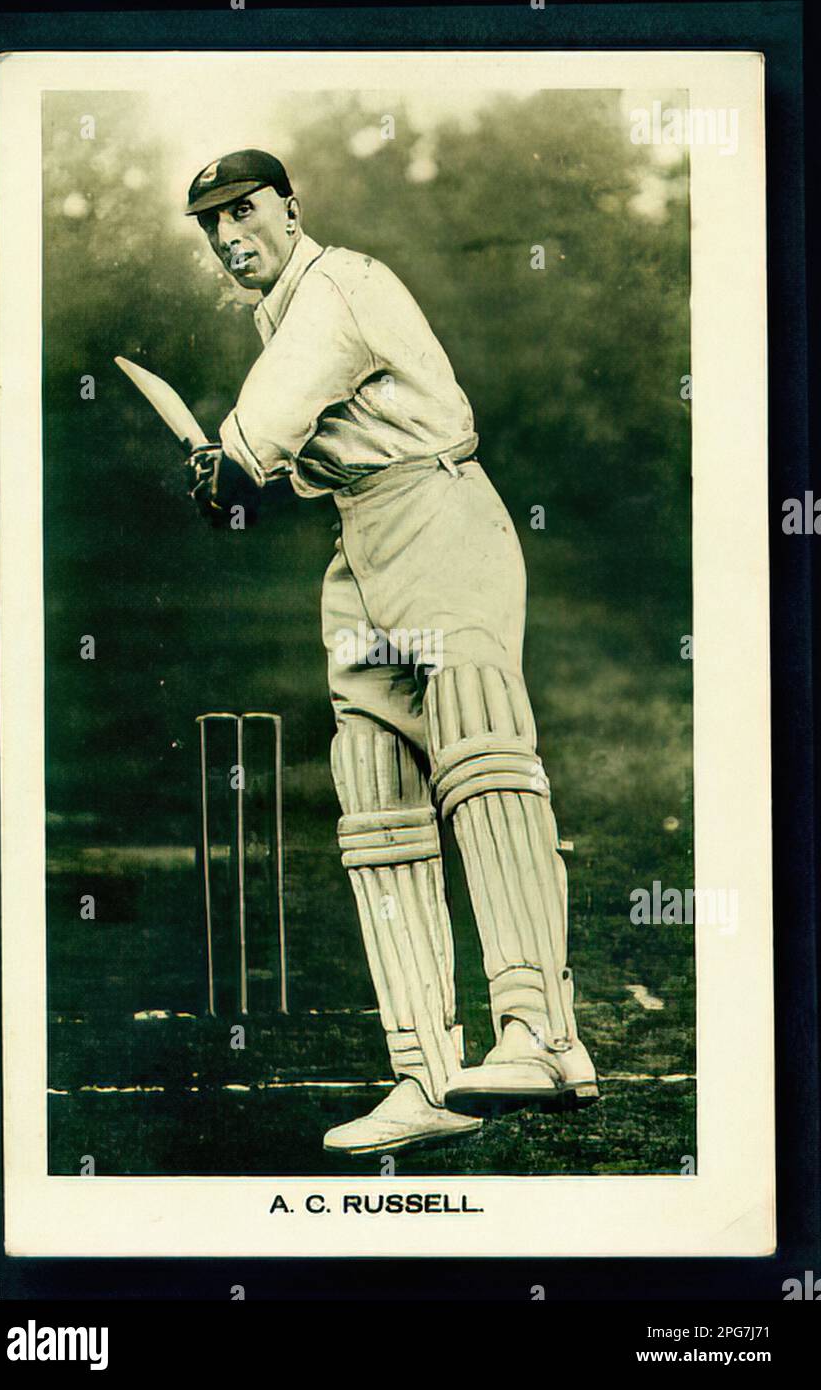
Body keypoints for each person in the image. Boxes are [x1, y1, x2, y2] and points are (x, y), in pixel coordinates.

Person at [185, 149, 598, 1155]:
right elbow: (274, 449)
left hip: (439, 513)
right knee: (376, 790)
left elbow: (262, 436)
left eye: (245, 210)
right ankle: (428, 1074)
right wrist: (235, 468)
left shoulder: (342, 283)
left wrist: (228, 463)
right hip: (361, 544)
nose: (231, 235)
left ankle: (542, 1033)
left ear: (289, 205)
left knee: (482, 756)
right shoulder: (273, 322)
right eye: (211, 224)